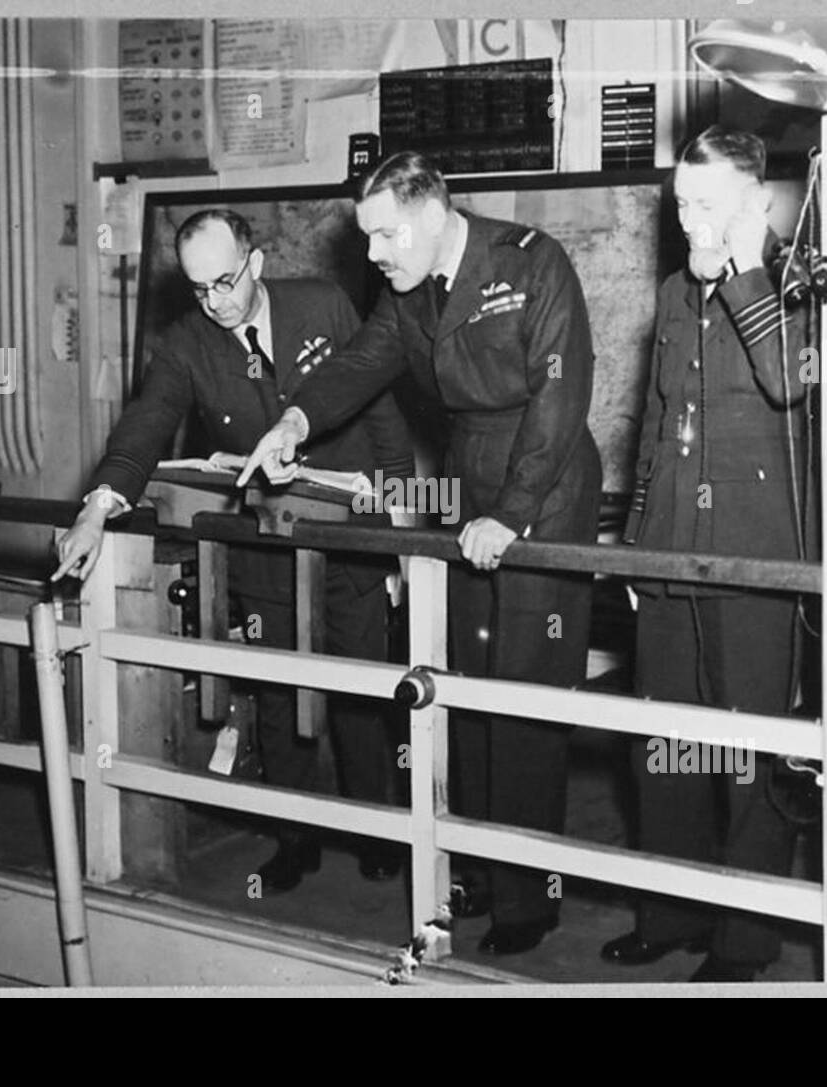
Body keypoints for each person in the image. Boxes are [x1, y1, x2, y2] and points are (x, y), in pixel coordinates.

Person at [239, 151, 602, 955]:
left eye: (385, 234)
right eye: (367, 237)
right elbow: (361, 363)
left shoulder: (531, 260)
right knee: (463, 686)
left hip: (545, 483)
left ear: (436, 212)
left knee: (525, 695)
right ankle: (468, 865)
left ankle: (528, 897)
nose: (373, 254)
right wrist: (294, 421)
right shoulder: (405, 293)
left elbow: (562, 394)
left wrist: (512, 514)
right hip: (471, 479)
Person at [53, 208, 414, 891]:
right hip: (265, 545)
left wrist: (397, 526)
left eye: (224, 282)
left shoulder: (325, 305)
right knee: (277, 694)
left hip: (350, 537)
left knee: (363, 687)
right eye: (198, 289)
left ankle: (379, 831)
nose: (214, 302)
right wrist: (98, 506)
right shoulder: (187, 345)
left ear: (255, 263)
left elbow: (383, 417)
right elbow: (146, 423)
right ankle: (293, 836)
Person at [603, 126, 818, 981]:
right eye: (681, 204)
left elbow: (788, 380)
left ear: (755, 205)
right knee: (663, 741)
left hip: (759, 560)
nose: (688, 221)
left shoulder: (802, 289)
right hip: (670, 556)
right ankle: (670, 911)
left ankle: (744, 938)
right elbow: (656, 425)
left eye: (707, 206)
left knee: (746, 753)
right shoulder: (671, 293)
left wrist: (747, 268)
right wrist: (635, 544)